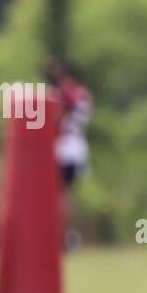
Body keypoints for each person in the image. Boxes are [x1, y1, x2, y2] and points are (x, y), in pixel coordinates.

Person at [46, 59, 93, 249]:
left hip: (66, 149)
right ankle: (65, 234)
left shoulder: (68, 94)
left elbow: (62, 118)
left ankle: (65, 235)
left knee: (62, 195)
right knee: (64, 195)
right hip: (71, 148)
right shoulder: (79, 93)